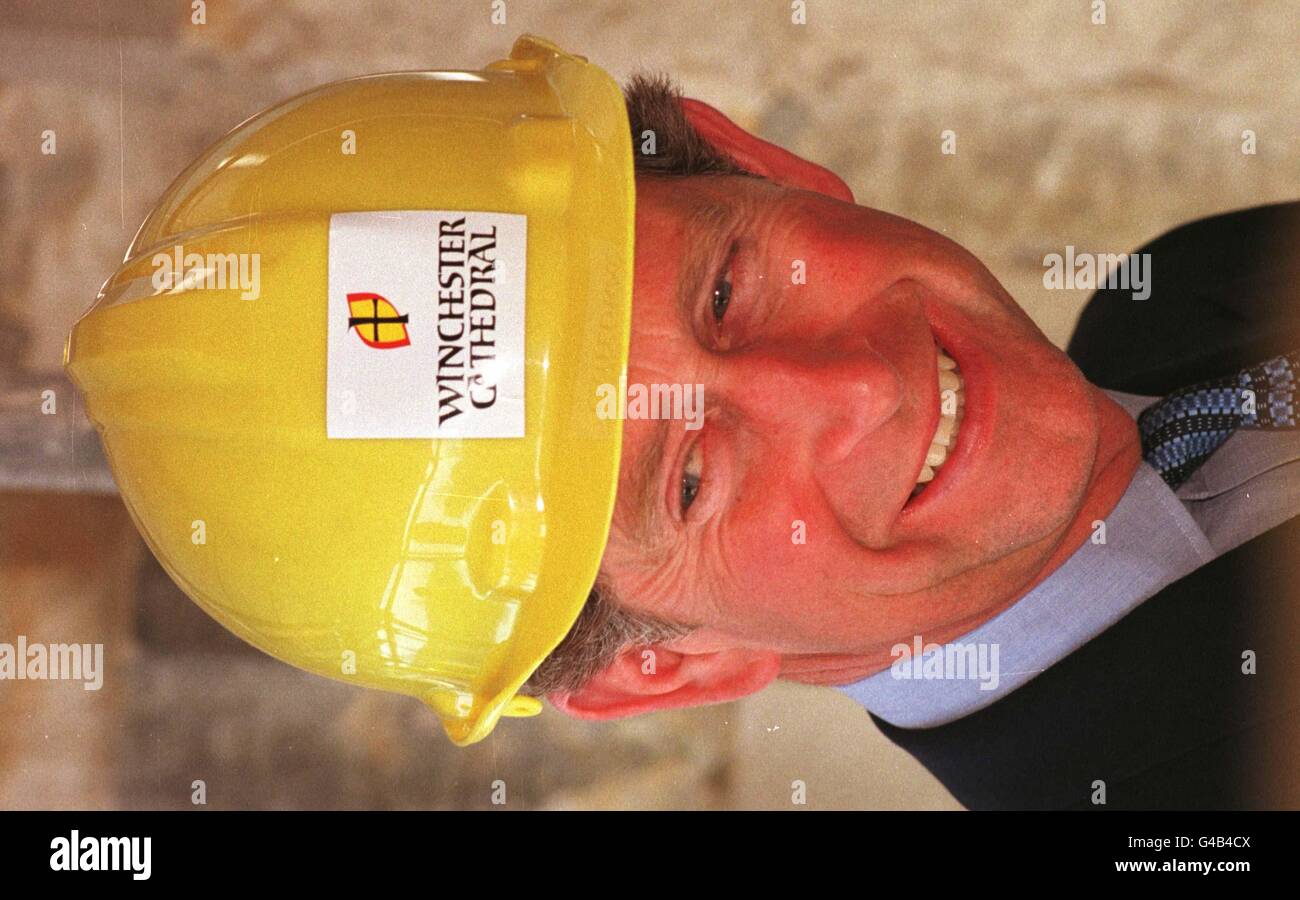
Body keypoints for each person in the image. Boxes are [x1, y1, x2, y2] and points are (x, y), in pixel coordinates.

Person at [531, 75, 1300, 810]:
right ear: (661, 670)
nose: (861, 388)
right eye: (691, 481)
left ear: (760, 164)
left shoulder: (1182, 288)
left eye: (725, 292)